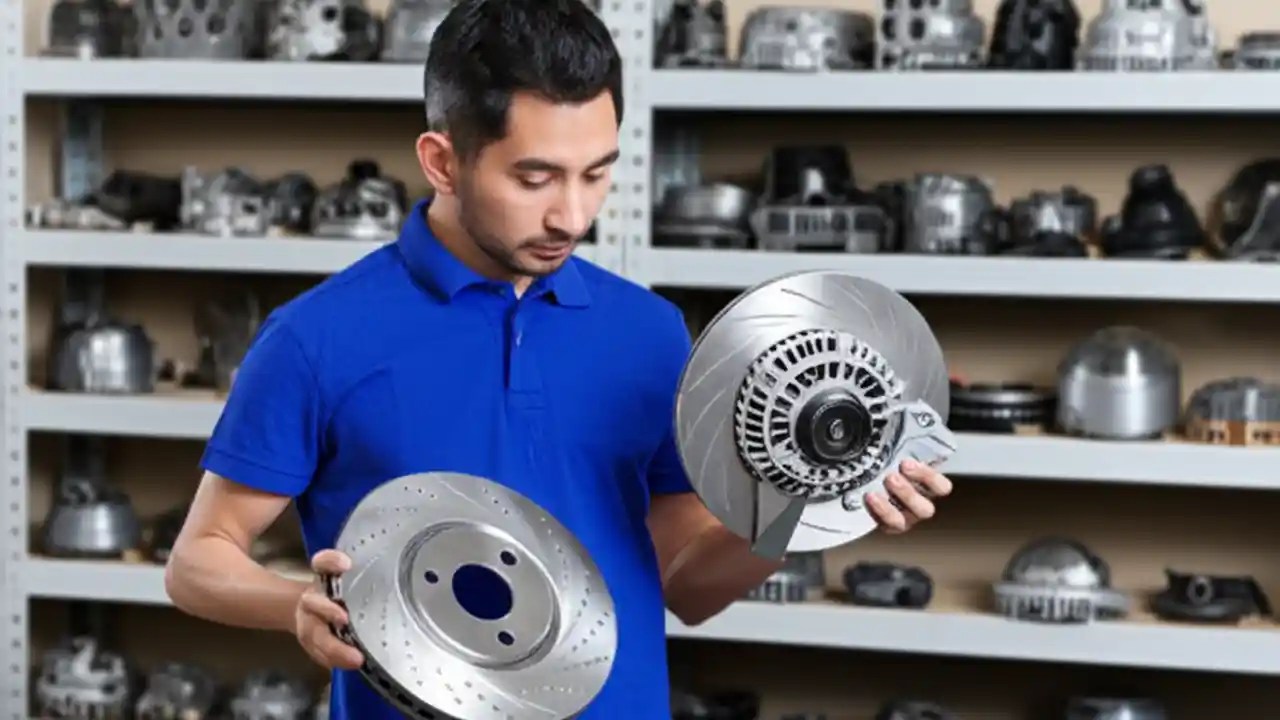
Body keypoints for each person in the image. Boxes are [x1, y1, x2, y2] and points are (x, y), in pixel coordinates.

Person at [162, 0, 954, 717]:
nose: (571, 215)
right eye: (534, 177)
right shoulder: (317, 338)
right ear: (442, 161)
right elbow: (197, 560)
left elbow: (688, 587)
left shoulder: (648, 333)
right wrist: (294, 604)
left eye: (596, 174)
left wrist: (805, 509)